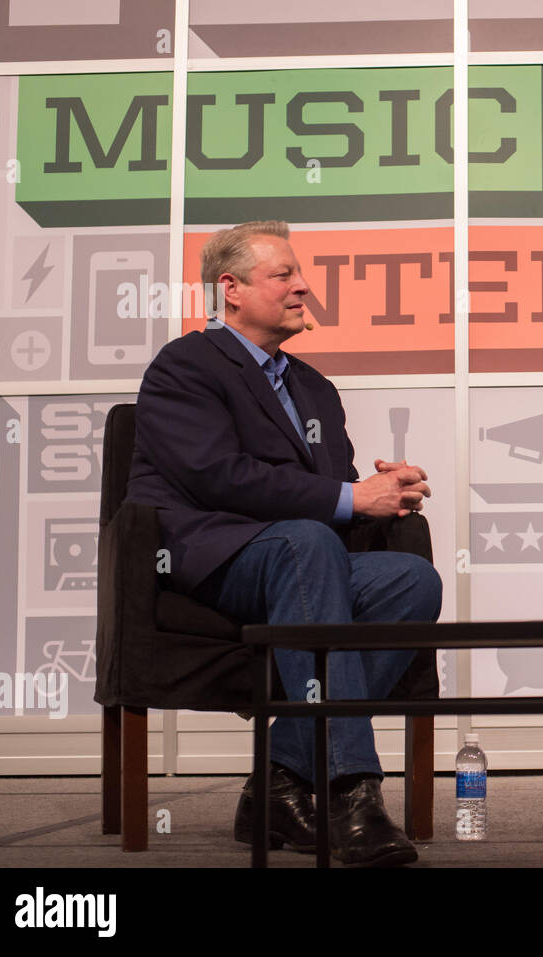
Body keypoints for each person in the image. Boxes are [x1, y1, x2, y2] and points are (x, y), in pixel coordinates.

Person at [126, 221, 441, 867]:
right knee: (305, 541)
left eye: (300, 274)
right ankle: (352, 791)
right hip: (213, 557)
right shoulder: (185, 365)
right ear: (231, 288)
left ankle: (276, 779)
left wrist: (383, 491)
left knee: (412, 578)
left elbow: (326, 494)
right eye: (284, 275)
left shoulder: (314, 387)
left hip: (301, 558)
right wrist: (353, 497)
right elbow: (216, 476)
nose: (304, 286)